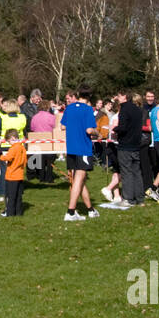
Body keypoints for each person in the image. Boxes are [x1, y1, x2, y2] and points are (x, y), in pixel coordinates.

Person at [62, 87, 100, 221]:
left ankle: (90, 210)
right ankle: (71, 212)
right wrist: (98, 132)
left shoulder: (69, 108)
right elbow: (90, 130)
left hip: (71, 147)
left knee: (80, 180)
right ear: (89, 97)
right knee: (79, 179)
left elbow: (62, 126)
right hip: (83, 147)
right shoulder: (88, 109)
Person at [114, 91, 145, 206]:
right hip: (136, 144)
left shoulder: (124, 109)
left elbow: (123, 127)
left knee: (126, 172)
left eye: (119, 95)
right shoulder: (137, 109)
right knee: (136, 172)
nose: (117, 97)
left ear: (125, 97)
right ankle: (140, 198)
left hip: (125, 145)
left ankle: (128, 198)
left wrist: (114, 129)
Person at [1, 128, 27, 217]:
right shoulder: (22, 147)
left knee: (11, 196)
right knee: (18, 196)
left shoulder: (13, 148)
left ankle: (10, 213)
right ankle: (19, 212)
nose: (9, 143)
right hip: (19, 175)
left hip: (11, 175)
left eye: (9, 141)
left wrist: (2, 157)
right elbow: (25, 160)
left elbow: (9, 158)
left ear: (12, 138)